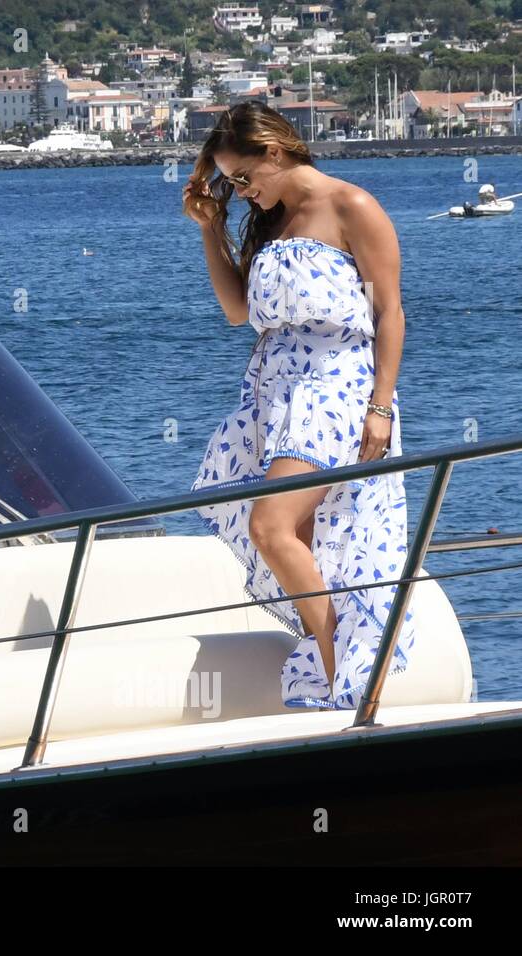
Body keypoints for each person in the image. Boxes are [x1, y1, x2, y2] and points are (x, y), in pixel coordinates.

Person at [181, 101, 417, 710]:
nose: (240, 191)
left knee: (270, 525)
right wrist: (211, 227)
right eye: (231, 183)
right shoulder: (271, 222)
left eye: (243, 178)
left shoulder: (350, 206)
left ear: (276, 153)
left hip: (335, 385)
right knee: (310, 543)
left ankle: (351, 682)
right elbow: (238, 312)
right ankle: (347, 678)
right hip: (272, 391)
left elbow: (389, 312)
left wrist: (381, 407)